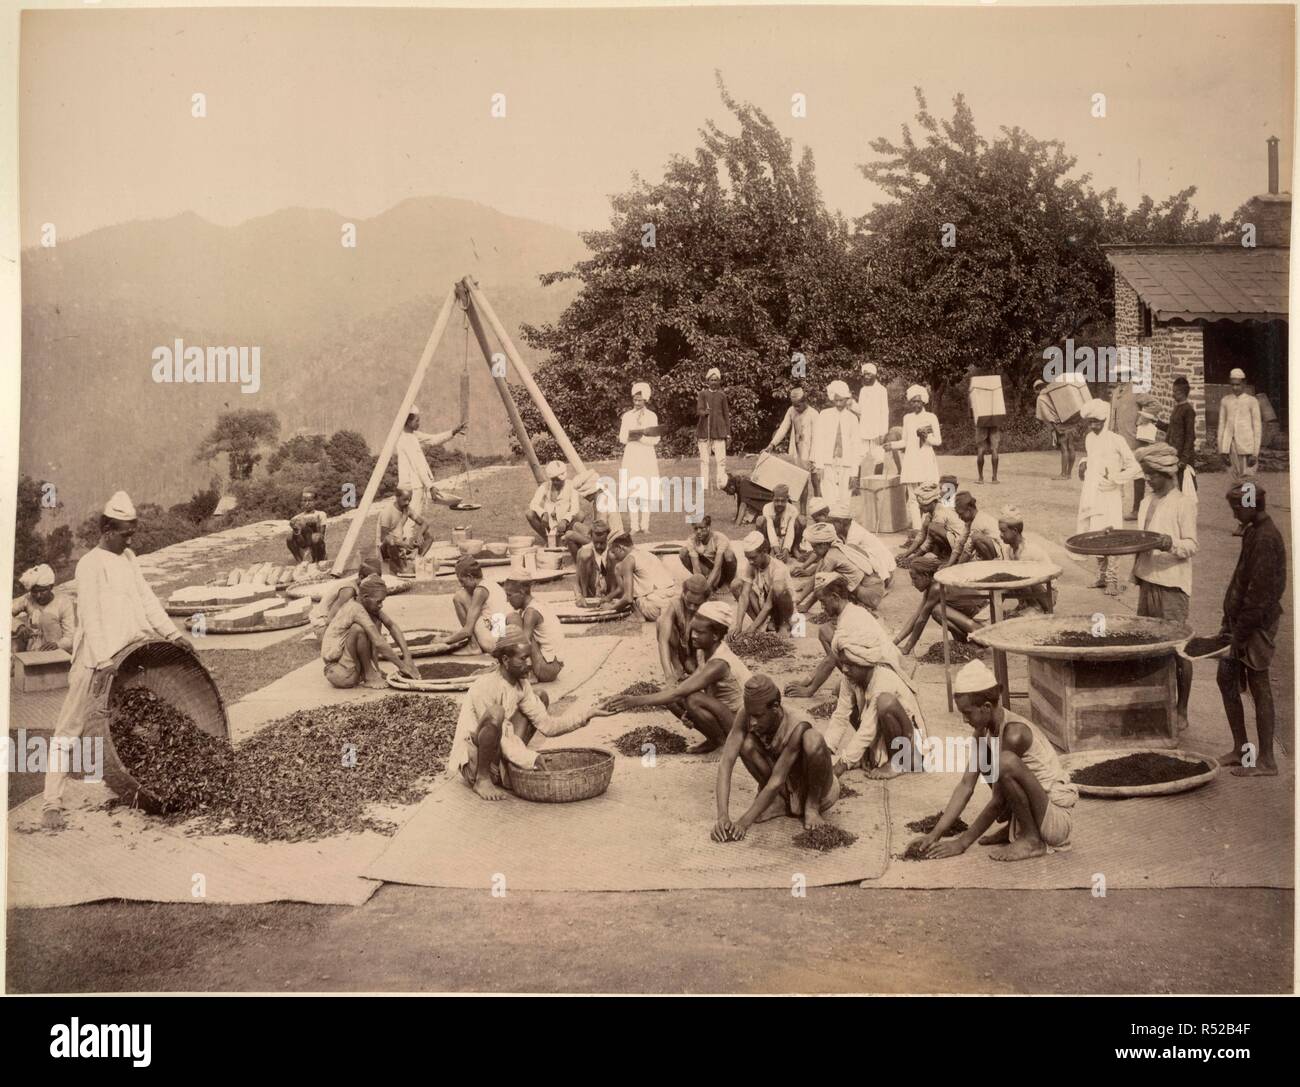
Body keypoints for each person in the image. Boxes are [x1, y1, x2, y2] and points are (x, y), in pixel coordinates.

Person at [41, 492, 193, 830]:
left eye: (132, 532)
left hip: (128, 654)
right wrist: (102, 659)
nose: (130, 538)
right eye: (125, 532)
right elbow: (91, 617)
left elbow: (146, 599)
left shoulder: (128, 557)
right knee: (70, 728)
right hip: (95, 660)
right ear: (107, 529)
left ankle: (142, 785)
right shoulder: (90, 564)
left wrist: (173, 634)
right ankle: (52, 801)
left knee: (134, 721)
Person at [909, 659, 1077, 861]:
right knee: (991, 758)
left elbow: (998, 801)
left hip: (1054, 822)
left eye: (967, 713)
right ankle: (1016, 828)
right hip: (1038, 810)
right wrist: (934, 835)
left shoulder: (1014, 734)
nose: (964, 720)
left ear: (986, 707)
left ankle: (1032, 839)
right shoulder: (983, 733)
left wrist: (961, 843)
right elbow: (965, 785)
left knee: (1004, 762)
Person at [449, 627, 611, 801]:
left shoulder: (521, 684)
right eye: (523, 658)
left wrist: (587, 714)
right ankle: (482, 779)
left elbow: (548, 725)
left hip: (499, 746)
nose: (530, 663)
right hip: (475, 758)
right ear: (505, 660)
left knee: (540, 696)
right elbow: (501, 738)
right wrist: (530, 759)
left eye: (530, 656)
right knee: (496, 713)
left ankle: (508, 767)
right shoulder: (485, 686)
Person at [605, 601, 751, 753]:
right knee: (675, 699)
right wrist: (689, 713)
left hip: (741, 722)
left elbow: (681, 691)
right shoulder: (703, 651)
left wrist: (634, 701)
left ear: (715, 636)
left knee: (691, 698)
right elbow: (686, 688)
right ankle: (714, 739)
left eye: (700, 632)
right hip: (724, 711)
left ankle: (723, 743)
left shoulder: (719, 663)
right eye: (693, 630)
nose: (693, 636)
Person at [712, 675, 840, 842]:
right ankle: (777, 801)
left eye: (758, 716)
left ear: (775, 707)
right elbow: (725, 764)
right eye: (750, 715)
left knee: (813, 740)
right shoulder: (748, 713)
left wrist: (743, 822)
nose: (751, 723)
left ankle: (811, 807)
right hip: (785, 786)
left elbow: (777, 780)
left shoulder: (798, 723)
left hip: (819, 790)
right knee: (746, 743)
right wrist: (722, 816)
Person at [1216, 484, 1285, 778]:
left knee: (1258, 685)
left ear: (1250, 505)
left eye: (1236, 508)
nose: (1233, 514)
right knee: (1226, 678)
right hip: (1241, 622)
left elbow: (1258, 596)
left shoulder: (1266, 538)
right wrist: (1228, 621)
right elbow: (1241, 583)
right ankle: (1241, 749)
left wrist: (1240, 635)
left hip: (1255, 625)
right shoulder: (1254, 530)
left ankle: (1267, 760)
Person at [1132, 443, 1198, 732]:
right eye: (1145, 475)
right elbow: (1140, 541)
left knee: (1177, 649)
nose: (1148, 480)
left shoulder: (1183, 502)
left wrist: (1169, 543)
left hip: (1172, 586)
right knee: (1146, 645)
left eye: (1152, 475)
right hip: (1148, 581)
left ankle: (1181, 710)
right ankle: (1154, 706)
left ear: (1166, 473)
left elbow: (1192, 545)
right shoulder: (1147, 501)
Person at [894, 491, 1000, 655]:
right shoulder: (933, 587)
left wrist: (907, 648)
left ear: (926, 576)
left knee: (936, 610)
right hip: (979, 620)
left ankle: (980, 639)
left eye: (915, 578)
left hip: (985, 623)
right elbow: (917, 615)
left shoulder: (936, 588)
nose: (913, 583)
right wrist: (895, 641)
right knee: (936, 610)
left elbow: (922, 619)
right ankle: (969, 642)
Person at [822, 629, 927, 779]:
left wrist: (842, 765)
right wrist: (826, 751)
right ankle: (870, 753)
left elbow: (868, 729)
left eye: (850, 665)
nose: (844, 669)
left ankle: (897, 762)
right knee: (840, 688)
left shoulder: (883, 681)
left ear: (865, 663)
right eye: (843, 664)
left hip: (910, 744)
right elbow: (840, 716)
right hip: (882, 734)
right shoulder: (849, 679)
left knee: (885, 702)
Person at [784, 571, 904, 700]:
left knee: (825, 632)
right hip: (881, 665)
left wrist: (809, 690)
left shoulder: (848, 621)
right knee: (838, 689)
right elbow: (832, 655)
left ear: (835, 597)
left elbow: (832, 659)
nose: (822, 606)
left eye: (823, 601)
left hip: (884, 671)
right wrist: (806, 681)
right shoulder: (851, 611)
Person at [1076, 399, 1142, 595]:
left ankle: (1113, 579)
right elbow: (1093, 458)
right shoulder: (1089, 438)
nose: (1093, 425)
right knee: (1096, 534)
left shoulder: (1116, 440)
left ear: (1104, 419)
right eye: (1090, 422)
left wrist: (1116, 479)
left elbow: (1135, 467)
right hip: (1093, 493)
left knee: (1112, 536)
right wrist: (1084, 463)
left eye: (1096, 421)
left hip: (1111, 495)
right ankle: (1101, 577)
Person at [320, 574, 418, 689]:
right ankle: (369, 675)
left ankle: (374, 670)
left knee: (376, 622)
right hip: (340, 672)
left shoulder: (367, 605)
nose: (381, 605)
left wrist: (408, 657)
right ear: (365, 597)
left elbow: (392, 626)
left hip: (347, 667)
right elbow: (378, 641)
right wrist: (402, 667)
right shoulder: (355, 608)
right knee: (358, 629)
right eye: (378, 601)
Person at [394, 406, 468, 534]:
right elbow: (418, 465)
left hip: (413, 486)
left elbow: (433, 439)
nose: (419, 423)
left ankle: (404, 548)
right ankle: (405, 551)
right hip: (412, 486)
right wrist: (430, 486)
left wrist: (453, 432)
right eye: (417, 421)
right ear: (408, 421)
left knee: (409, 520)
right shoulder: (406, 439)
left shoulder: (412, 435)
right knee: (410, 521)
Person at [797, 522, 885, 612]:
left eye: (814, 547)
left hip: (870, 596)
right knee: (830, 577)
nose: (814, 551)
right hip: (876, 591)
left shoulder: (831, 557)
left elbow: (819, 583)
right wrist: (798, 600)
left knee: (826, 585)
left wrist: (806, 606)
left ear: (823, 544)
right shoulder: (838, 547)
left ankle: (855, 606)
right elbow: (815, 577)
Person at [890, 385, 942, 530]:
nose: (916, 404)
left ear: (924, 401)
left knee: (926, 496)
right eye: (913, 401)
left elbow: (938, 441)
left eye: (918, 401)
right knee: (913, 498)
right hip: (911, 460)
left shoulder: (931, 417)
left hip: (925, 459)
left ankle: (927, 530)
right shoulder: (907, 418)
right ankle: (917, 530)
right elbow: (905, 441)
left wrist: (926, 437)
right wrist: (892, 445)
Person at [1217, 369, 1262, 531]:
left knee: (1248, 485)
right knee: (1236, 486)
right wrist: (1223, 450)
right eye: (1232, 385)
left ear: (1243, 383)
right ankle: (1241, 519)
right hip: (1231, 447)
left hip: (1248, 449)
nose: (1235, 388)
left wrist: (1255, 453)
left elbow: (1257, 427)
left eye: (1238, 385)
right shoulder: (1225, 401)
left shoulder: (1251, 401)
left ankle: (1248, 521)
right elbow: (1221, 426)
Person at [502, 572, 566, 683]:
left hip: (546, 669)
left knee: (513, 619)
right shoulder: (534, 604)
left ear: (522, 592)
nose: (507, 600)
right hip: (553, 666)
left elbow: (523, 646)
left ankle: (528, 673)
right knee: (515, 620)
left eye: (509, 595)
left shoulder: (531, 612)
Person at [601, 531, 677, 621]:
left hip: (655, 608)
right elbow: (621, 588)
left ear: (620, 548)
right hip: (673, 602)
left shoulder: (628, 560)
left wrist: (610, 609)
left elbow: (628, 598)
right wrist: (608, 597)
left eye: (614, 552)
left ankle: (638, 616)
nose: (615, 556)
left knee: (634, 596)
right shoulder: (647, 554)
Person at [731, 532, 794, 635]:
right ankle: (761, 625)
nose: (750, 561)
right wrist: (738, 625)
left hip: (782, 609)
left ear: (764, 552)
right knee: (736, 585)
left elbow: (769, 604)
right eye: (748, 558)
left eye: (753, 557)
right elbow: (744, 595)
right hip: (765, 605)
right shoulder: (752, 564)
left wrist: (751, 628)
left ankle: (784, 625)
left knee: (778, 588)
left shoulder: (778, 568)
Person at [811, 380, 862, 508]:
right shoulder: (824, 415)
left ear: (847, 399)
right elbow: (818, 441)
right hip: (828, 462)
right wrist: (819, 465)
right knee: (829, 497)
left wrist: (854, 473)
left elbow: (856, 446)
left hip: (846, 463)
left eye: (842, 400)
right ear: (832, 400)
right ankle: (832, 524)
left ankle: (842, 524)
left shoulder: (852, 418)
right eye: (836, 400)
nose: (839, 403)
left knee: (845, 499)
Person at [619, 383, 661, 535]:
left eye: (640, 400)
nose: (637, 403)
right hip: (631, 455)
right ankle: (634, 526)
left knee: (646, 491)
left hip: (646, 455)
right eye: (635, 400)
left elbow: (656, 439)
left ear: (646, 400)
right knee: (632, 491)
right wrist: (631, 437)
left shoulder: (651, 416)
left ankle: (645, 525)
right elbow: (622, 437)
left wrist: (642, 438)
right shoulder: (627, 416)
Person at [656, 574, 712, 684]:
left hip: (699, 653)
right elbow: (663, 640)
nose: (692, 607)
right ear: (684, 593)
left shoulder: (710, 609)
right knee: (660, 622)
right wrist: (668, 676)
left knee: (693, 670)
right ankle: (678, 668)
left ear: (705, 600)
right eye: (689, 602)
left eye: (697, 604)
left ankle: (691, 668)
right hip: (683, 650)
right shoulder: (675, 604)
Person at [449, 555, 511, 652]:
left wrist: (444, 641)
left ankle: (474, 646)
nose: (461, 585)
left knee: (459, 596)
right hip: (503, 640)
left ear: (470, 577)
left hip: (491, 643)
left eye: (462, 581)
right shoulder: (492, 584)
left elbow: (467, 631)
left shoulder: (480, 591)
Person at [11, 564, 75, 653]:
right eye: (34, 591)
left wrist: (58, 644)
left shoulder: (63, 602)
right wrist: (19, 626)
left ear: (51, 587)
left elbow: (70, 637)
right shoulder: (28, 599)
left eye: (43, 590)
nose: (38, 596)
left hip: (57, 652)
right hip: (32, 651)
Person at [562, 469, 624, 559]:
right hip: (605, 537)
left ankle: (582, 566)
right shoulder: (600, 497)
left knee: (569, 535)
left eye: (585, 494)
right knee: (576, 525)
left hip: (610, 543)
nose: (584, 498)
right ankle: (587, 557)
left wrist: (578, 537)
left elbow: (600, 532)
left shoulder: (602, 501)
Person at [678, 515, 737, 594]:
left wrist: (706, 588)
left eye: (702, 528)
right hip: (707, 568)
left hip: (721, 570)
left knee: (729, 555)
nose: (698, 532)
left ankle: (726, 583)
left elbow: (717, 567)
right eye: (696, 529)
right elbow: (696, 568)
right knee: (683, 552)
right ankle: (703, 581)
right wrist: (700, 585)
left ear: (709, 527)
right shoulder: (692, 540)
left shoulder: (720, 538)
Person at [1035, 379, 1079, 480]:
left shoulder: (1041, 398)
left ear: (1037, 389)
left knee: (1064, 448)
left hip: (1059, 424)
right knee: (1071, 447)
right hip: (1069, 420)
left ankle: (1063, 474)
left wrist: (1055, 428)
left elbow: (1047, 415)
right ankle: (1069, 474)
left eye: (1035, 391)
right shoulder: (1054, 392)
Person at [375, 487, 426, 575]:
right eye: (405, 499)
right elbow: (384, 538)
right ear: (397, 497)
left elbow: (424, 523)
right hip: (385, 548)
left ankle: (418, 560)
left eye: (409, 499)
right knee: (391, 540)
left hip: (400, 543)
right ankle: (400, 568)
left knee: (428, 536)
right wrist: (403, 544)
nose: (407, 502)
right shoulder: (387, 512)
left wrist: (419, 535)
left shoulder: (406, 509)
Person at [526, 460, 579, 544]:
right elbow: (533, 504)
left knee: (580, 515)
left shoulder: (572, 486)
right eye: (553, 480)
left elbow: (575, 508)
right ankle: (548, 540)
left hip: (565, 523)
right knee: (529, 513)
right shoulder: (545, 486)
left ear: (564, 477)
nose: (555, 483)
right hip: (548, 523)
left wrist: (565, 520)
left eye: (558, 480)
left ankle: (564, 539)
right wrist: (543, 513)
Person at [765, 386, 818, 471]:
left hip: (811, 449)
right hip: (797, 448)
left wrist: (813, 458)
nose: (796, 408)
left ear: (805, 401)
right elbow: (783, 428)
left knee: (814, 476)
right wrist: (772, 444)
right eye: (794, 405)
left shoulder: (813, 414)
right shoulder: (791, 410)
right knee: (799, 474)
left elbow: (816, 438)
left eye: (798, 406)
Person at [853, 362, 890, 477]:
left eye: (868, 374)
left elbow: (884, 412)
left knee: (879, 457)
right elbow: (860, 411)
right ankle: (855, 486)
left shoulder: (881, 390)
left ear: (874, 375)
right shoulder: (863, 390)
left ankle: (876, 484)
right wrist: (851, 404)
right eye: (864, 374)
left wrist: (883, 432)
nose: (866, 377)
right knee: (857, 456)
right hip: (863, 429)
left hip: (877, 430)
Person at [967, 366, 1003, 484]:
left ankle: (981, 478)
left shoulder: (974, 391)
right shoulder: (996, 388)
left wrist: (977, 417)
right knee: (994, 449)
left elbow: (971, 412)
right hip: (995, 419)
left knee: (981, 449)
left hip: (981, 423)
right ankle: (994, 478)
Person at [1161, 376, 1198, 491]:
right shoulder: (1177, 408)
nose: (1172, 394)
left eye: (1174, 391)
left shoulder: (1188, 410)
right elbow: (1171, 428)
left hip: (1182, 456)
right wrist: (1155, 422)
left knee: (1186, 488)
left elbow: (1190, 436)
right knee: (1174, 487)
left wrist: (1184, 459)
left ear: (1182, 393)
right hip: (1173, 454)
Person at [697, 366, 730, 491]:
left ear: (719, 381)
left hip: (719, 432)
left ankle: (720, 484)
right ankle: (704, 485)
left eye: (716, 380)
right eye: (711, 380)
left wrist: (728, 434)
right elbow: (699, 410)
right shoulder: (702, 394)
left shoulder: (722, 395)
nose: (714, 382)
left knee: (721, 460)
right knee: (704, 460)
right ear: (707, 381)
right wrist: (705, 412)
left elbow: (726, 415)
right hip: (704, 432)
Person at [574, 520, 620, 599]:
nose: (598, 546)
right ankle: (586, 596)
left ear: (607, 537)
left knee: (612, 555)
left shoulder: (613, 549)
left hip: (609, 587)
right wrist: (579, 596)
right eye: (596, 543)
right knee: (585, 554)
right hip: (592, 588)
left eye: (602, 543)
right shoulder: (583, 550)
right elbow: (576, 582)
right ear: (591, 537)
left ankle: (612, 595)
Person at [758, 484, 804, 560]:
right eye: (777, 500)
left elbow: (790, 531)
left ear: (787, 499)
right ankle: (766, 549)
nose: (779, 504)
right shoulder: (767, 508)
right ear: (772, 498)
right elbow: (770, 528)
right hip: (771, 539)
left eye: (783, 501)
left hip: (786, 537)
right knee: (760, 520)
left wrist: (786, 549)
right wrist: (776, 549)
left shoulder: (793, 510)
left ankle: (794, 549)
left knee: (801, 520)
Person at [287, 490, 328, 563]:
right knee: (290, 536)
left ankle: (316, 561)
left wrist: (310, 525)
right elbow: (301, 542)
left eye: (310, 501)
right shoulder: (297, 517)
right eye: (304, 501)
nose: (307, 503)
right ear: (301, 502)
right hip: (304, 544)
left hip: (317, 545)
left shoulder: (321, 514)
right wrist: (296, 530)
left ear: (315, 501)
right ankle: (300, 562)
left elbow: (321, 535)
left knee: (315, 537)